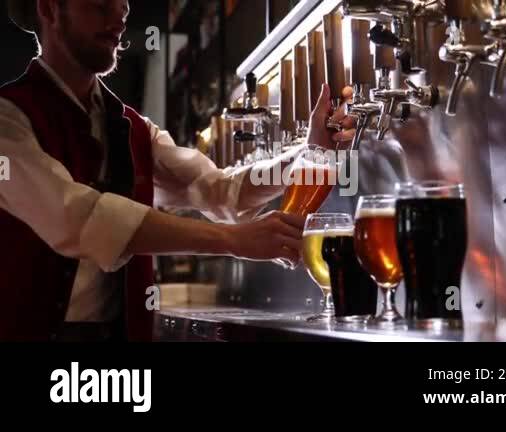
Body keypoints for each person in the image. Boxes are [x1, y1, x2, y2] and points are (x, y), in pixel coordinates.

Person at [0, 0, 354, 341]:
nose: (120, 12)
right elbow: (75, 217)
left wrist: (308, 152)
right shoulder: (9, 119)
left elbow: (219, 190)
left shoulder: (133, 129)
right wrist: (233, 240)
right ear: (49, 8)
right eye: (99, 2)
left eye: (121, 2)